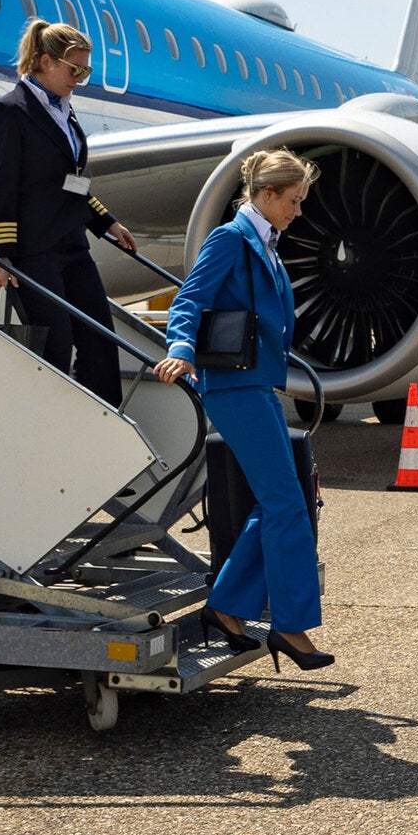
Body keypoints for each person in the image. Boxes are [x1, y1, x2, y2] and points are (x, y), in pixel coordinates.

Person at [153, 149, 332, 672]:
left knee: (278, 501)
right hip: (234, 387)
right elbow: (190, 298)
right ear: (267, 195)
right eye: (293, 201)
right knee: (287, 504)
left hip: (257, 384)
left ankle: (228, 608)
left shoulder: (265, 242)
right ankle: (291, 627)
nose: (298, 211)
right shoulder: (232, 239)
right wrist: (181, 348)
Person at [0, 21, 137, 405]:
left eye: (86, 71)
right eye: (75, 70)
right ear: (46, 62)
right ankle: (53, 428)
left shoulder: (65, 113)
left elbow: (72, 181)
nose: (81, 79)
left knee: (101, 338)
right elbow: (4, 185)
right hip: (34, 249)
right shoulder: (9, 112)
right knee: (56, 342)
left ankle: (103, 423)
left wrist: (107, 222)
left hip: (72, 244)